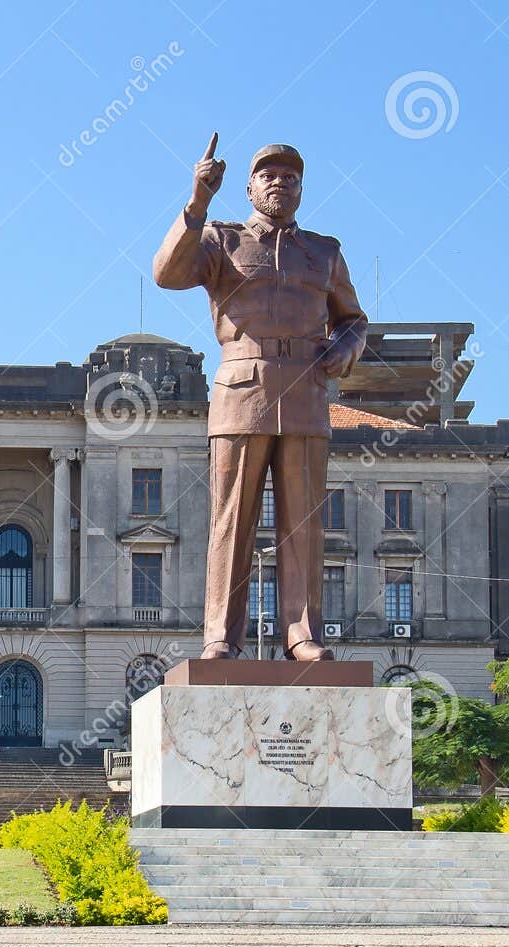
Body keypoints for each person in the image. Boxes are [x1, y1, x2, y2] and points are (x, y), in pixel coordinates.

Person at [152, 137, 366, 662]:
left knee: (304, 524)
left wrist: (346, 345)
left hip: (306, 390)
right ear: (248, 187)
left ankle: (302, 633)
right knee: (232, 520)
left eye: (290, 176)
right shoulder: (222, 241)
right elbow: (167, 274)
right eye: (268, 175)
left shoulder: (324, 252)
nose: (279, 182)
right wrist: (197, 202)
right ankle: (221, 636)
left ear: (301, 190)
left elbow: (353, 318)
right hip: (241, 388)